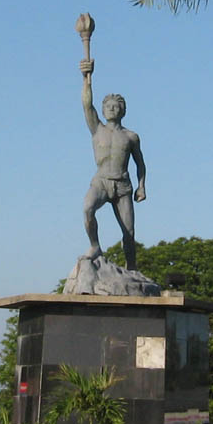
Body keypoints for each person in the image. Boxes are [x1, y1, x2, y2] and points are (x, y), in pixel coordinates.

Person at [79, 57, 146, 270]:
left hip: (123, 185)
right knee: (88, 208)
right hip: (101, 181)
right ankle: (95, 245)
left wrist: (142, 186)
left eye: (115, 107)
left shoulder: (131, 136)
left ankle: (132, 268)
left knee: (129, 232)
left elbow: (140, 164)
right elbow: (86, 104)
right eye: (107, 106)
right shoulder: (97, 128)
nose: (111, 109)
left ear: (122, 110)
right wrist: (86, 79)